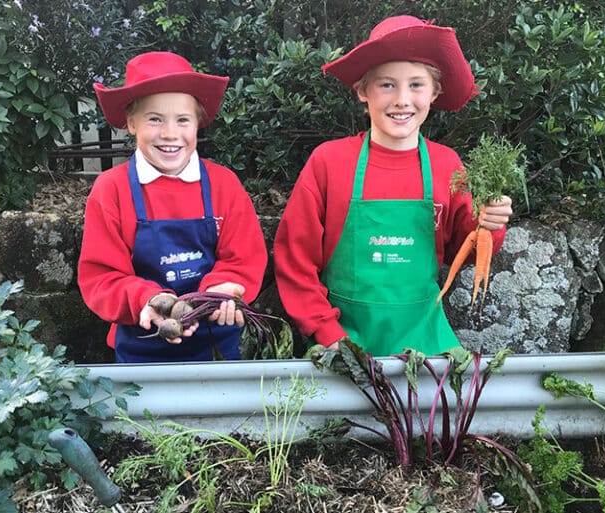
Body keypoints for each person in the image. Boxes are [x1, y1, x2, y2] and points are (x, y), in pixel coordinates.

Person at [273, 15, 513, 356]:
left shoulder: (447, 165)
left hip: (426, 340)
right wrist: (328, 333)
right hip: (342, 341)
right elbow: (295, 260)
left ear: (434, 93)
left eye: (416, 85)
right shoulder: (329, 162)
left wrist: (490, 225)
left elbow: (468, 245)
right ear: (362, 91)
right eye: (387, 85)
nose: (402, 99)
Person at [78, 51, 268, 363]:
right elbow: (102, 276)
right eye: (155, 119)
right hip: (142, 345)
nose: (170, 134)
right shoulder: (111, 189)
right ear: (131, 122)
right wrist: (149, 299)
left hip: (216, 342)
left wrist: (220, 292)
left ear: (198, 123)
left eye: (183, 120)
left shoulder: (224, 185)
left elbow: (244, 259)